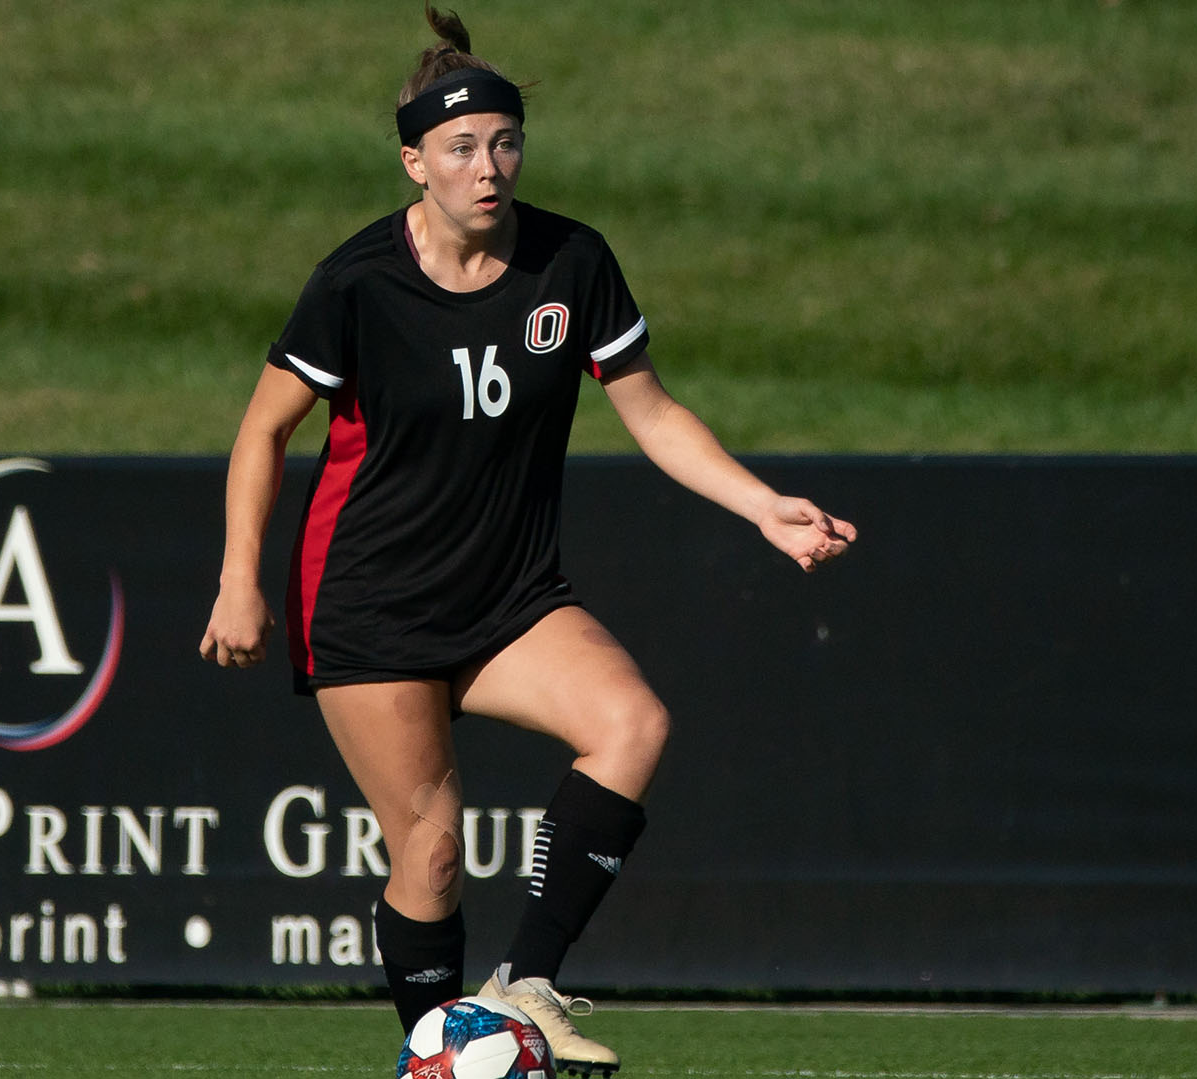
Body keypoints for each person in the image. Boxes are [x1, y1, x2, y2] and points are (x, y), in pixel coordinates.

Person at [199, 7, 856, 1074]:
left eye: (504, 142)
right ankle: (433, 1054)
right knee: (432, 851)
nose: (487, 167)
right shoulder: (359, 282)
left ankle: (523, 988)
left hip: (510, 595)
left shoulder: (571, 261)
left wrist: (761, 504)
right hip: (372, 600)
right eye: (460, 147)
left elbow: (652, 411)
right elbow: (262, 430)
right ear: (414, 162)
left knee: (632, 724)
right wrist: (240, 580)